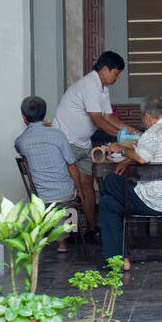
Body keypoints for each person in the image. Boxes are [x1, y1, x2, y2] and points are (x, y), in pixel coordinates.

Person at [97, 96, 162, 269]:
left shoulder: (153, 132)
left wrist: (121, 149)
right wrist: (128, 158)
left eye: (143, 118)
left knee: (110, 181)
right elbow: (149, 155)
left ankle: (117, 258)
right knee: (107, 203)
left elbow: (141, 158)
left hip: (152, 200)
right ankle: (120, 260)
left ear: (147, 116)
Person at [52, 51, 138, 231]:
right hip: (67, 142)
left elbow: (109, 118)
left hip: (83, 144)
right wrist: (124, 139)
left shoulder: (102, 89)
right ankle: (67, 235)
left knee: (87, 186)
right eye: (116, 73)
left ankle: (92, 229)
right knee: (71, 190)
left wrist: (134, 132)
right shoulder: (90, 85)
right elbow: (98, 121)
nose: (117, 78)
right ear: (105, 69)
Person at [13, 95, 83, 252]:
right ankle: (64, 241)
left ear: (24, 118)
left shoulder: (22, 141)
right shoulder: (58, 135)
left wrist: (33, 128)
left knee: (52, 203)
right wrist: (80, 190)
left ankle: (52, 236)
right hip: (65, 192)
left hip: (41, 195)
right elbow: (71, 165)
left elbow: (18, 146)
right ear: (44, 115)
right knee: (66, 202)